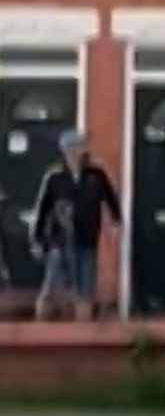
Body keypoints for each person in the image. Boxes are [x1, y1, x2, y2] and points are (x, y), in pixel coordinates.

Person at [31, 130, 121, 322]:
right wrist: (38, 238)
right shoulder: (55, 177)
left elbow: (110, 199)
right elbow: (43, 208)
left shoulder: (96, 175)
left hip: (88, 237)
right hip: (60, 240)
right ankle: (39, 327)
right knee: (51, 287)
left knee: (85, 289)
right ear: (66, 150)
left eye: (81, 146)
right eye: (76, 146)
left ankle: (84, 330)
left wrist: (116, 221)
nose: (80, 150)